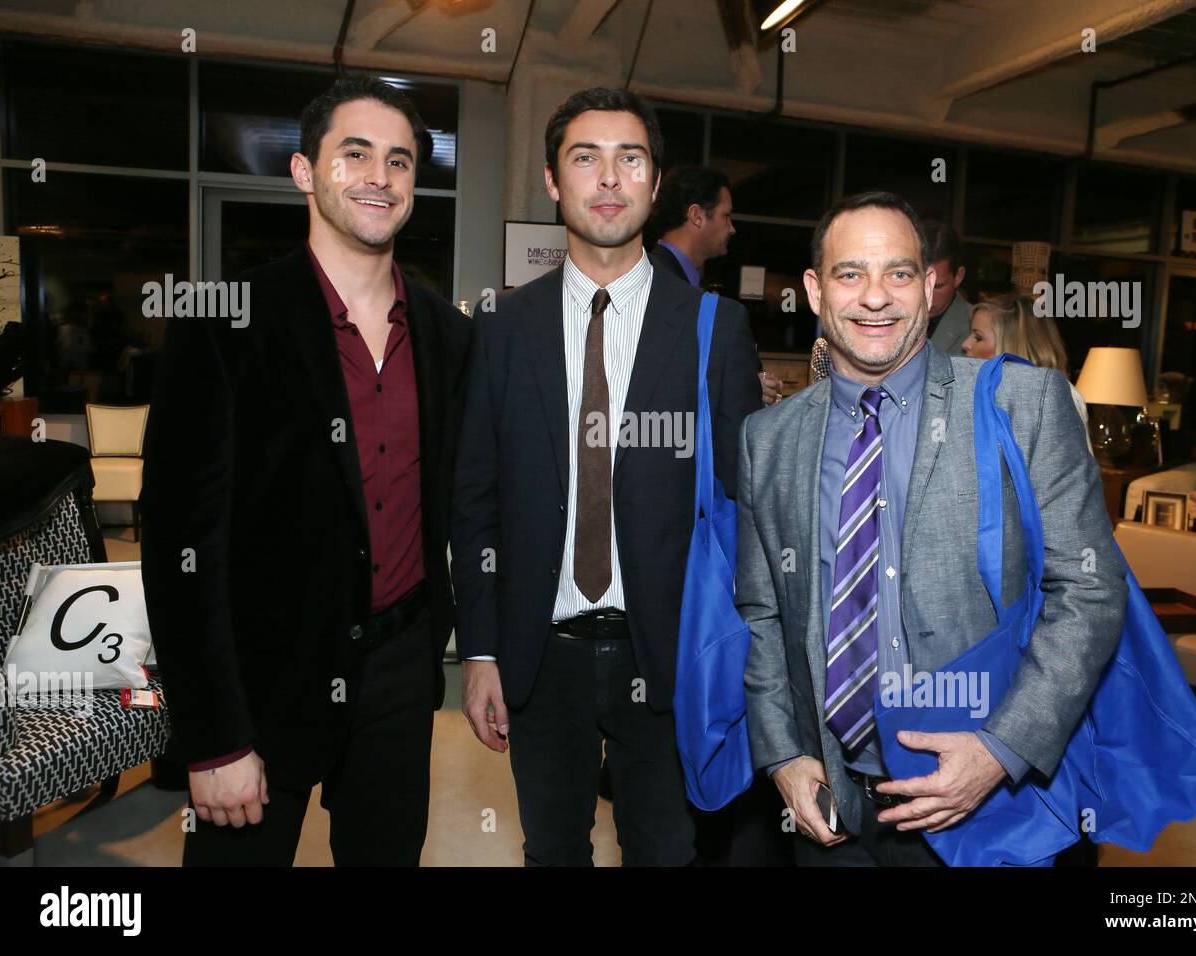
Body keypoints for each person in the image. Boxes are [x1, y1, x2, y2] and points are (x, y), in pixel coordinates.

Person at [737, 190, 1128, 866]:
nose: (876, 297)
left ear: (930, 284)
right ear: (814, 289)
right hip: (837, 805)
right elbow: (763, 612)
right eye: (850, 273)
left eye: (899, 272)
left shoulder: (1021, 404)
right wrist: (783, 754)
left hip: (987, 804)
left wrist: (999, 750)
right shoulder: (767, 439)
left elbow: (1090, 591)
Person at [141, 76, 472, 866]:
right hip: (263, 671)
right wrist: (213, 739)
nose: (378, 178)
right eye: (354, 154)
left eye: (398, 162)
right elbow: (180, 548)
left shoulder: (446, 334)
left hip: (399, 663)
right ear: (302, 172)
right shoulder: (223, 322)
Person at [450, 87, 761, 866]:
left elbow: (744, 505)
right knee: (551, 849)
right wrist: (480, 650)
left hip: (668, 653)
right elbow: (475, 498)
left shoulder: (713, 331)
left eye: (632, 159)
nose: (610, 178)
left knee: (666, 851)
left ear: (656, 186)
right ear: (554, 183)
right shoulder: (501, 328)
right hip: (539, 652)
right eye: (585, 158)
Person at [651, 165, 783, 407]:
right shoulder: (655, 285)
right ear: (697, 216)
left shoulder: (690, 285)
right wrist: (742, 385)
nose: (732, 228)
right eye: (726, 216)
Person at [961, 293, 1090, 436]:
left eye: (978, 337)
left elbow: (1072, 457)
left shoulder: (1056, 399)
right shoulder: (980, 391)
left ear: (1011, 344)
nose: (965, 344)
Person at [923, 220, 971, 357]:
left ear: (958, 277)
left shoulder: (976, 326)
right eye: (920, 284)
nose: (927, 296)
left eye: (937, 286)